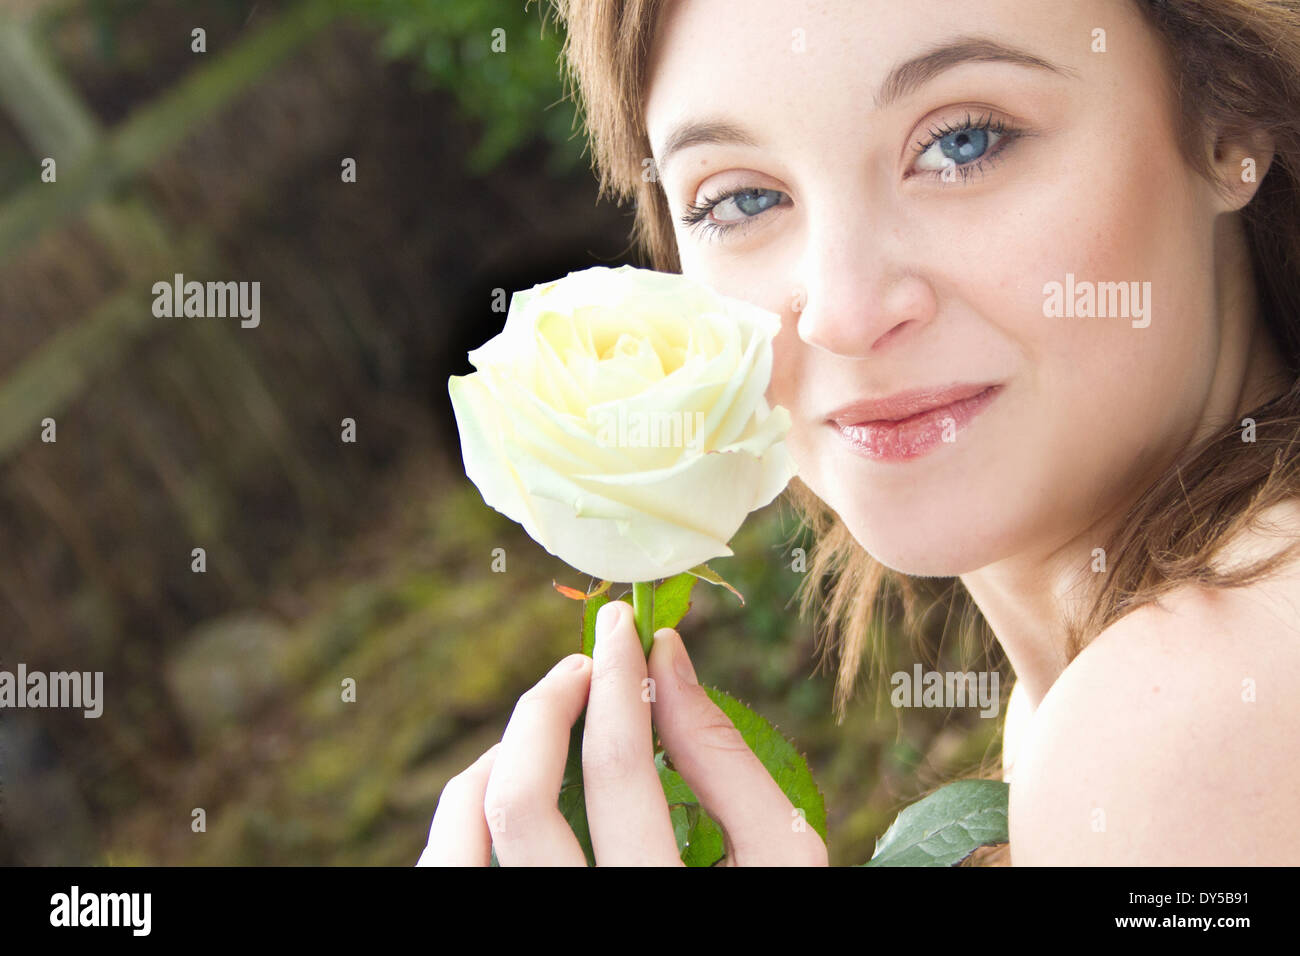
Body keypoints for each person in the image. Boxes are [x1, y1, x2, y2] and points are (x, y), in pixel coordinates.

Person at [419, 0, 1300, 865]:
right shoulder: (1112, 702)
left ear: (1230, 124)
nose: (839, 313)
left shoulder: (1190, 717)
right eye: (744, 198)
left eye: (965, 141)